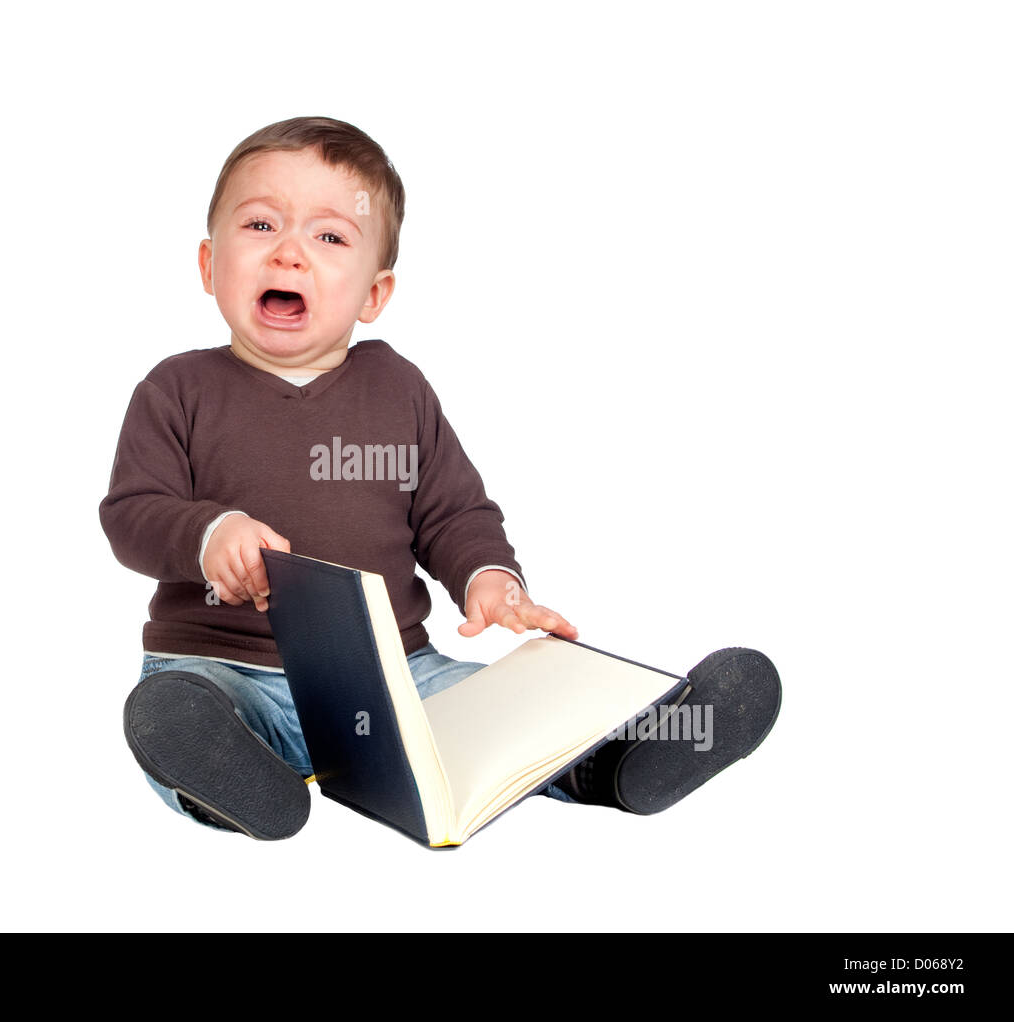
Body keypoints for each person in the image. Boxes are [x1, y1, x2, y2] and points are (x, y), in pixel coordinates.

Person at [99, 116, 781, 840]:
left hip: (398, 676)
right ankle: (234, 782)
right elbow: (133, 511)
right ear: (209, 265)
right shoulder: (176, 389)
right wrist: (209, 533)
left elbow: (453, 513)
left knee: (486, 717)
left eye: (329, 237)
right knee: (184, 705)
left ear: (374, 293)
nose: (290, 253)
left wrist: (490, 576)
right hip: (225, 666)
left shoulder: (398, 388)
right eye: (262, 225)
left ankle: (619, 759)